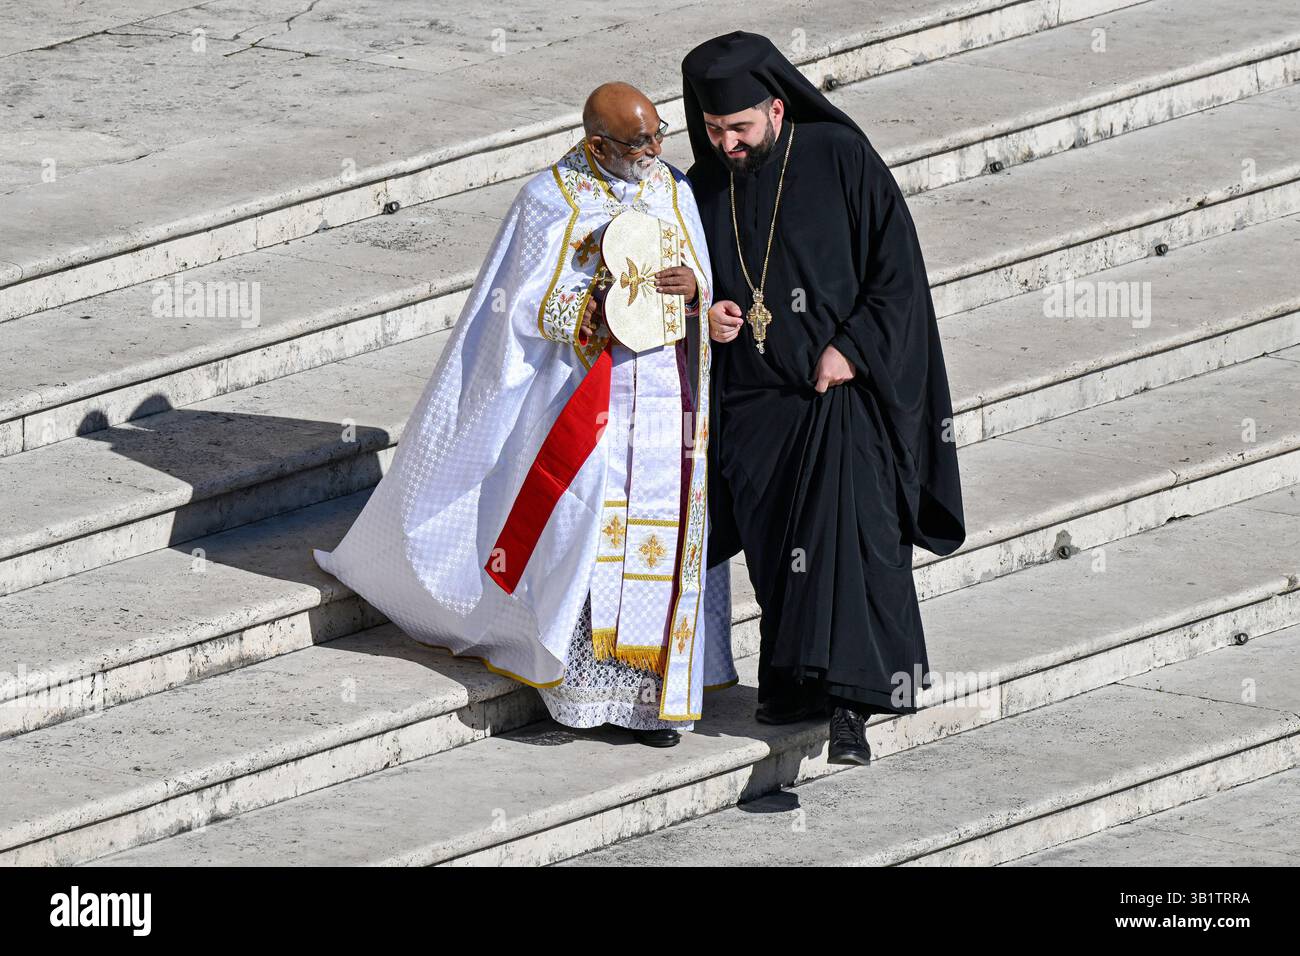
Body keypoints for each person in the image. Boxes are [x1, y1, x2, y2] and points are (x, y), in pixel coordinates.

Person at [314, 82, 737, 748]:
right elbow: (512, 307)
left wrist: (696, 292)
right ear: (598, 144)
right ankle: (577, 691)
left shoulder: (672, 188)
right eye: (639, 142)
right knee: (583, 538)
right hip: (578, 402)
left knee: (656, 539)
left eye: (659, 134)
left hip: (660, 399)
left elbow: (697, 284)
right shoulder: (549, 199)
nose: (655, 151)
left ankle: (652, 703)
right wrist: (585, 310)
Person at [680, 33, 965, 764]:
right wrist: (709, 313)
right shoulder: (706, 185)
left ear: (776, 109)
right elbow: (687, 278)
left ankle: (850, 710)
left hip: (842, 398)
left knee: (851, 546)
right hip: (757, 405)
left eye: (740, 129)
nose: (728, 145)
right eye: (714, 132)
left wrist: (853, 348)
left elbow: (898, 274)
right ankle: (794, 679)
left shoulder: (840, 157)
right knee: (783, 558)